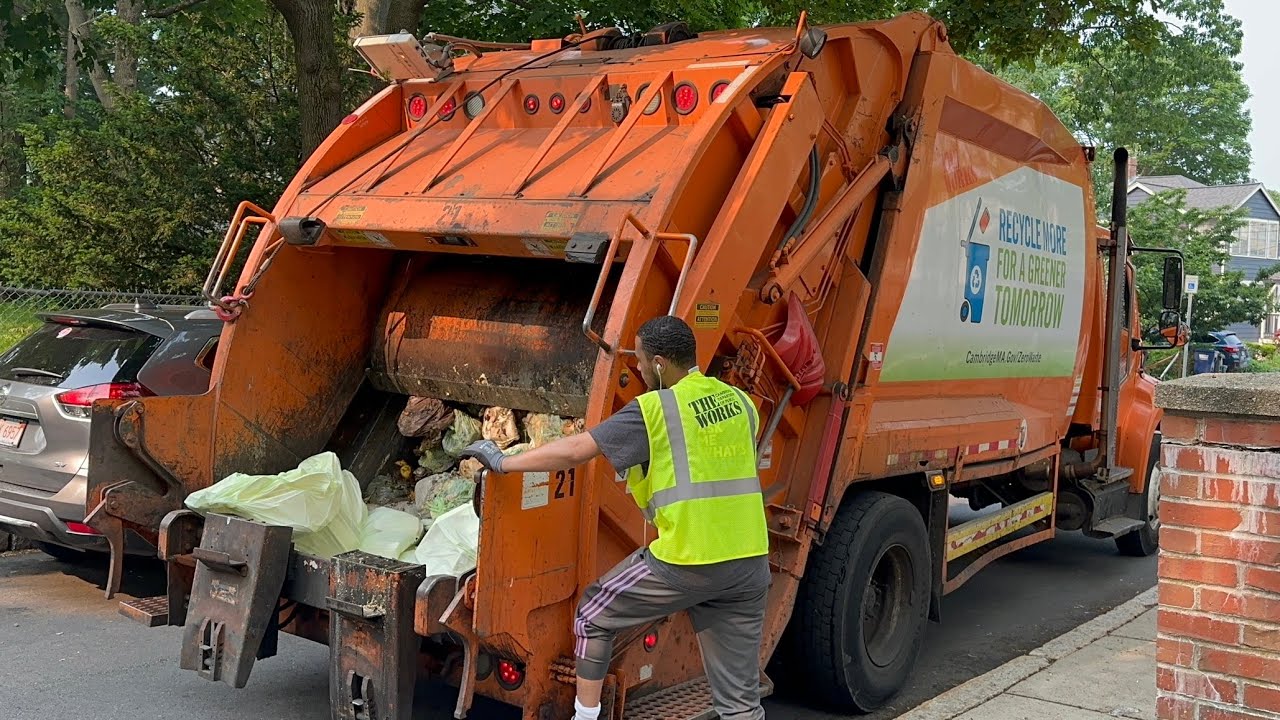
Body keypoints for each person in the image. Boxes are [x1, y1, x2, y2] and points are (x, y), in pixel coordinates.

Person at [461, 315, 771, 720]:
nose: (638, 369)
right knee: (740, 703)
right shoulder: (741, 402)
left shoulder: (658, 409)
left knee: (592, 612)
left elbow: (576, 451)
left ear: (660, 363)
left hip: (688, 559)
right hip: (749, 564)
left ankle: (586, 718)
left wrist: (504, 462)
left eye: (640, 360)